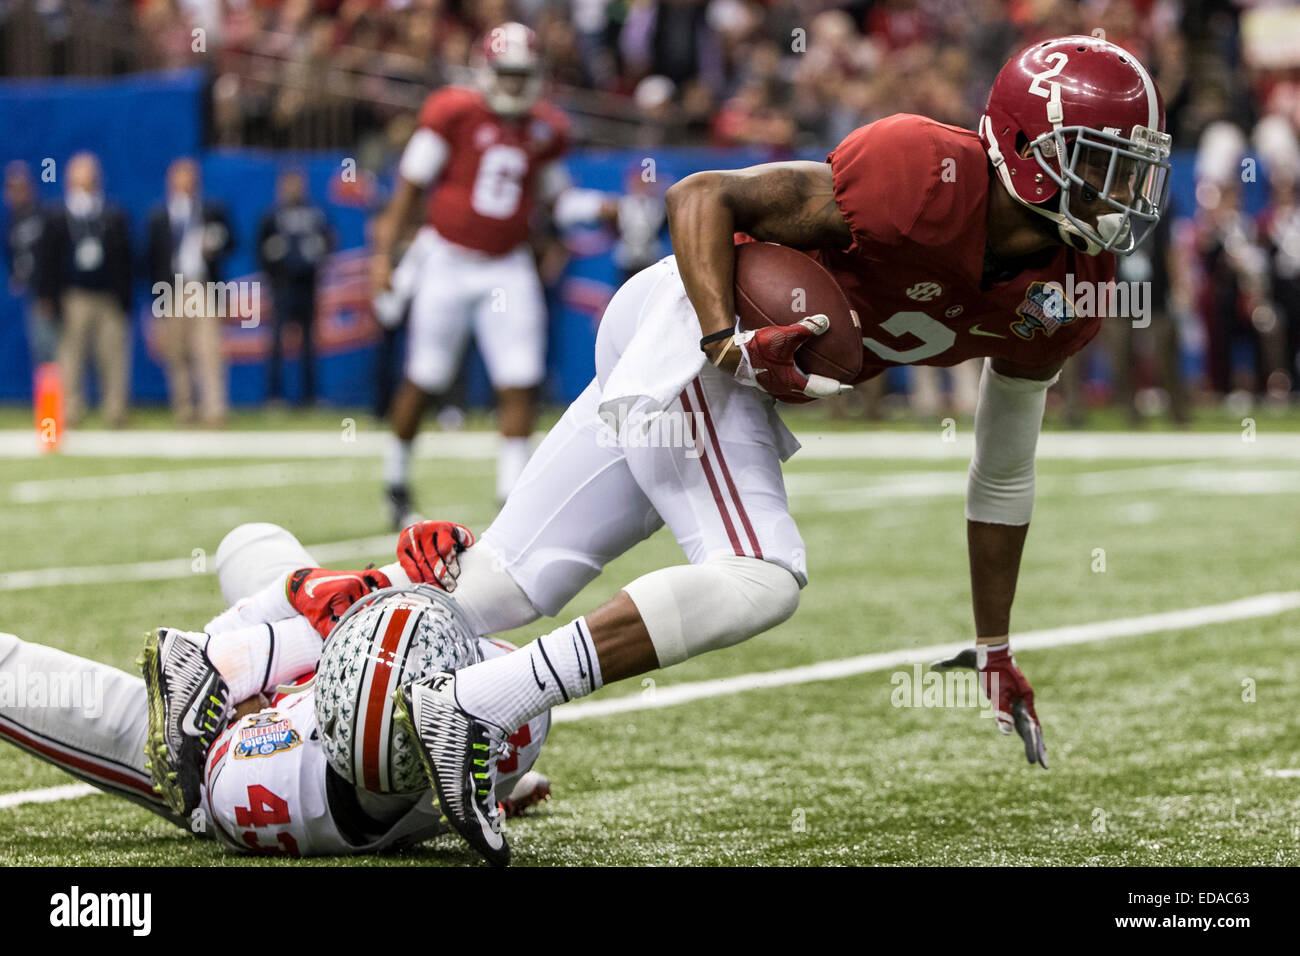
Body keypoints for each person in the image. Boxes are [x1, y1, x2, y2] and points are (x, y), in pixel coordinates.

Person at [378, 35, 1173, 866]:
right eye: (1101, 161)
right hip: (696, 326)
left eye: (1134, 168)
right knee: (759, 575)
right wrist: (726, 342)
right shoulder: (923, 175)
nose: (1122, 191)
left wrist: (996, 643)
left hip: (698, 352)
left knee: (506, 582)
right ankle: (475, 702)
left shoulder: (1070, 289)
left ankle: (265, 639)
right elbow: (703, 197)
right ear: (1022, 148)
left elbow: (1003, 470)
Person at [0, 521, 550, 857]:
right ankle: (310, 621)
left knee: (30, 685)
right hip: (374, 761)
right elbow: (417, 664)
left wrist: (302, 606)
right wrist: (404, 584)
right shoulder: (507, 704)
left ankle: (251, 653)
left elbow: (204, 719)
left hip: (259, 765)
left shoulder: (266, 780)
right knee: (251, 541)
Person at [369, 21, 614, 528]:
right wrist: (383, 255)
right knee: (426, 375)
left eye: (524, 75)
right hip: (446, 259)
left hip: (507, 264)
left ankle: (511, 497)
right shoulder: (452, 112)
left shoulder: (544, 129)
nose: (515, 85)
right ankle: (396, 482)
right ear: (485, 70)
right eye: (507, 73)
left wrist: (600, 207)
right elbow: (411, 186)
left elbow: (557, 199)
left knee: (519, 377)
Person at [35, 152, 133, 429]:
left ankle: (115, 410)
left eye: (90, 171)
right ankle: (70, 410)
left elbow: (126, 258)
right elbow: (47, 259)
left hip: (108, 296)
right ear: (68, 176)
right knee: (70, 355)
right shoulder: (56, 215)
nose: (85, 177)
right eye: (79, 171)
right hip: (73, 295)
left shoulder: (112, 214)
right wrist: (48, 296)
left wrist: (123, 297)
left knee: (113, 356)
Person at [147, 158, 235, 426]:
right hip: (171, 289)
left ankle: (214, 409)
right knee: (176, 352)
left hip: (202, 286)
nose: (185, 181)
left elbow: (231, 242)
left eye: (189, 175)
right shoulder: (160, 216)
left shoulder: (211, 211)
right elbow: (152, 261)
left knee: (209, 349)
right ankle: (184, 408)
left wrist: (215, 245)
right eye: (179, 176)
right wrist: (156, 302)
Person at [257, 169, 333, 407]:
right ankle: (274, 396)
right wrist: (273, 268)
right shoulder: (272, 216)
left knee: (310, 343)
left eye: (297, 184)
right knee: (276, 342)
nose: (293, 189)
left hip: (307, 285)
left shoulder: (315, 213)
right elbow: (259, 249)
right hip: (282, 286)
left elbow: (330, 240)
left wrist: (319, 254)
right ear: (280, 187)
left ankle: (310, 397)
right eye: (289, 184)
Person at [3, 162, 55, 368]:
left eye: (20, 187)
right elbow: (13, 253)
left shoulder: (45, 214)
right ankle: (50, 400)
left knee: (52, 349)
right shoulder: (11, 220)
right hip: (34, 292)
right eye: (11, 188)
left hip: (50, 292)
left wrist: (50, 291)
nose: (14, 194)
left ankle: (62, 399)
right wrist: (16, 274)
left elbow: (53, 255)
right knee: (42, 350)